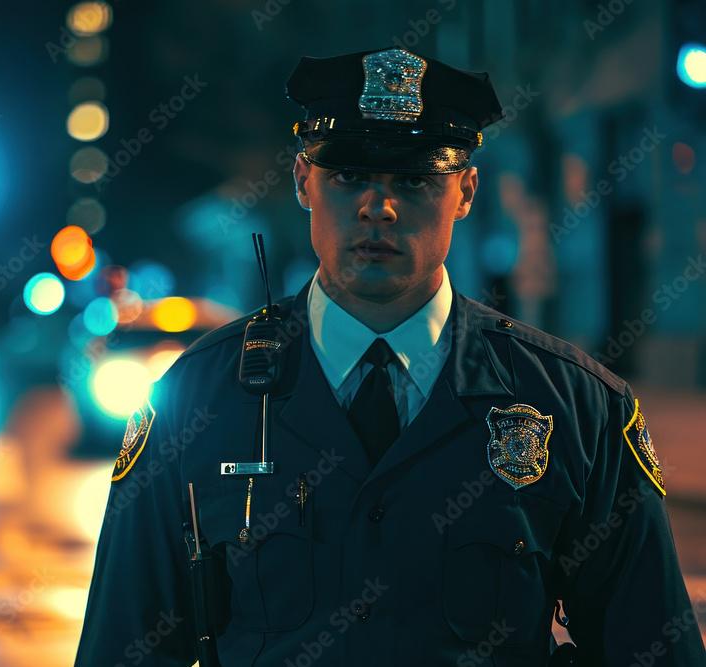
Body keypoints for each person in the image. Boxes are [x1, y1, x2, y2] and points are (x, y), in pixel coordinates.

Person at [74, 47, 706, 666]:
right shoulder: (196, 401)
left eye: (414, 179)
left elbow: (650, 645)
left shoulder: (574, 409)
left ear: (464, 191)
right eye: (349, 177)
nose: (379, 208)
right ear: (302, 180)